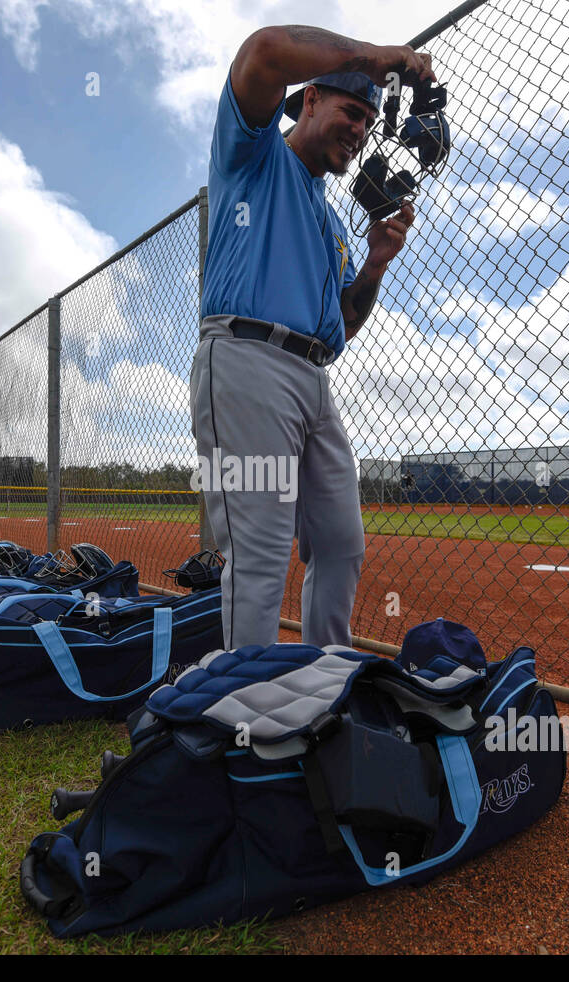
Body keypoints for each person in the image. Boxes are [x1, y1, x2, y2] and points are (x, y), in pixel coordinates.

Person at [192, 25, 433, 649]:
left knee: (341, 543)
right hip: (247, 359)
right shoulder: (255, 155)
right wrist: (376, 59)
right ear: (310, 100)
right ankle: (242, 700)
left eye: (368, 121)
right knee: (261, 551)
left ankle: (324, 676)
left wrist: (374, 264)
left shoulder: (332, 220)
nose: (360, 129)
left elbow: (344, 324)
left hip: (314, 379)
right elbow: (264, 53)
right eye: (352, 111)